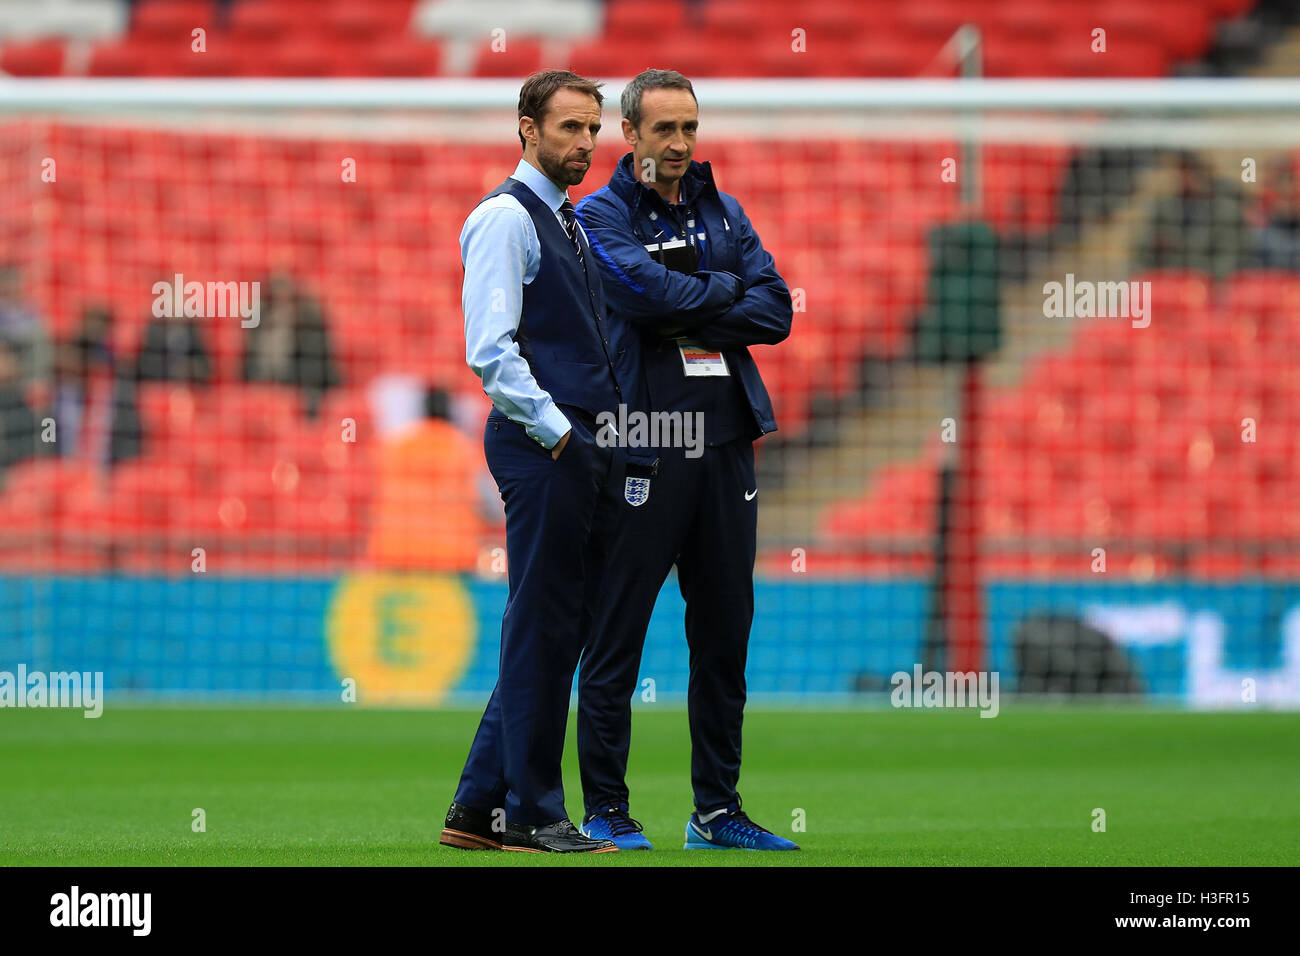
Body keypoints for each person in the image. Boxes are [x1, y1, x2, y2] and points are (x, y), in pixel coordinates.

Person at [574, 69, 797, 850]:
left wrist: (695, 295)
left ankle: (717, 812)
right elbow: (638, 295)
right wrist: (721, 290)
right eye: (663, 129)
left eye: (689, 129)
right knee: (618, 632)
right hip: (649, 442)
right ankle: (605, 807)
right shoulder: (598, 214)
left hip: (727, 443)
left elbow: (777, 310)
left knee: (726, 631)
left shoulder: (722, 209)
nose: (678, 144)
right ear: (628, 133)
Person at [439, 69, 645, 854]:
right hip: (543, 444)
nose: (586, 144)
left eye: (594, 129)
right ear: (526, 128)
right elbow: (490, 351)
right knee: (543, 624)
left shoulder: (567, 222)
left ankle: (478, 807)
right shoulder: (505, 220)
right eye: (569, 128)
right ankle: (531, 810)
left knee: (553, 628)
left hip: (574, 443)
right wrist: (562, 433)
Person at [365, 386, 490, 572]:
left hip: (393, 553)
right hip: (452, 558)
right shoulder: (465, 449)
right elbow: (492, 508)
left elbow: (371, 498)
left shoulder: (395, 447)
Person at [50, 306, 142, 468]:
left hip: (105, 475)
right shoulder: (57, 398)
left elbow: (130, 440)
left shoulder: (118, 395)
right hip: (64, 474)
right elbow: (46, 437)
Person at [241, 273, 340, 418]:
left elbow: (316, 367)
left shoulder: (310, 322)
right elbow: (250, 364)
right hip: (265, 386)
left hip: (303, 389)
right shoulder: (258, 321)